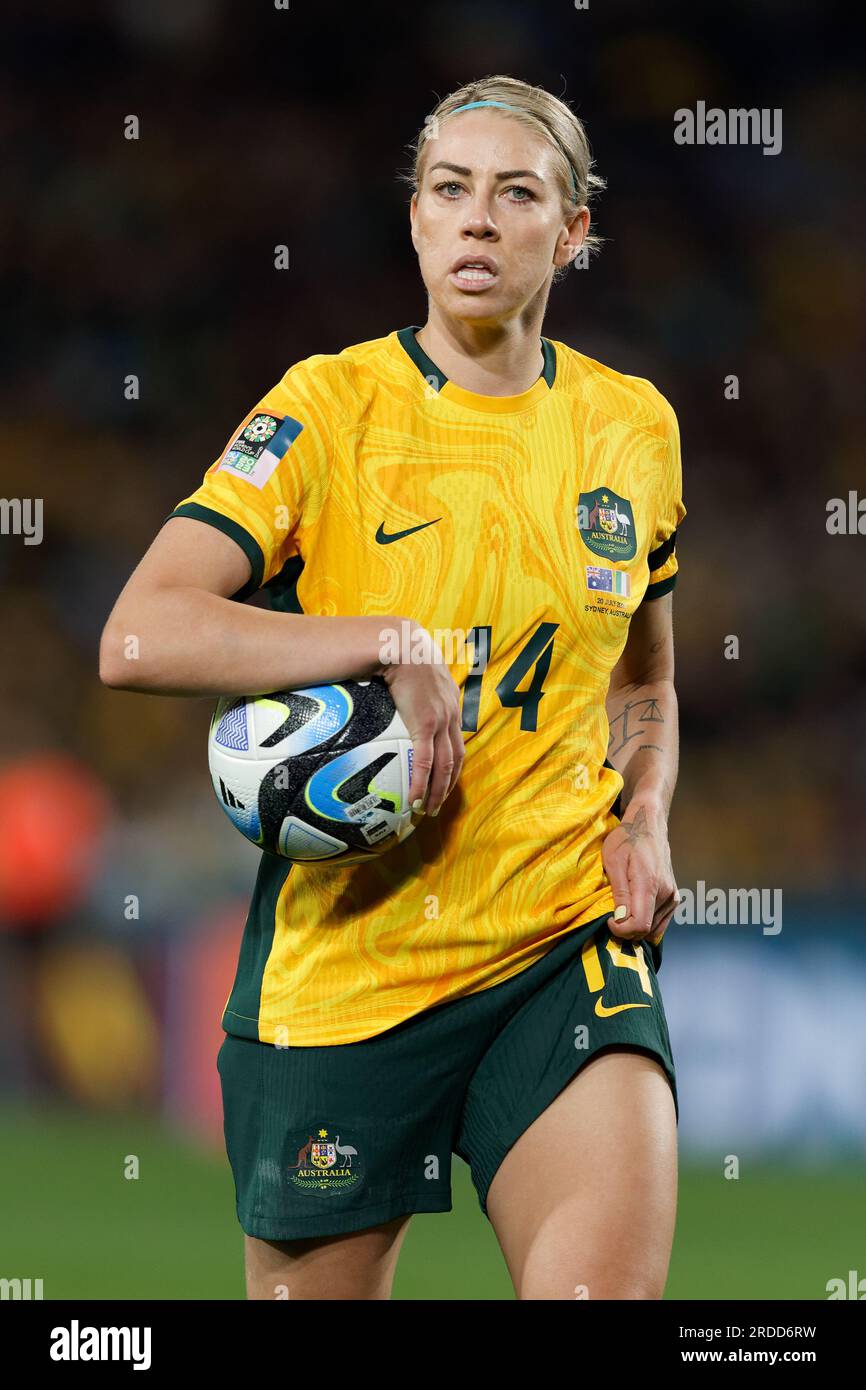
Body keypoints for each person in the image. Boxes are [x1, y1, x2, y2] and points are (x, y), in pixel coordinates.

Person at [100, 74, 685, 1301]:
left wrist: (642, 816)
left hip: (556, 937)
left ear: (570, 233)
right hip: (347, 971)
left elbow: (641, 670)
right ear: (414, 220)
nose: (475, 220)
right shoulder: (326, 409)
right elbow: (139, 636)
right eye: (447, 191)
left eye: (514, 194)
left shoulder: (633, 428)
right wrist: (382, 639)